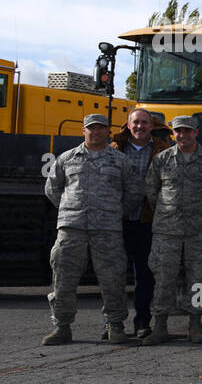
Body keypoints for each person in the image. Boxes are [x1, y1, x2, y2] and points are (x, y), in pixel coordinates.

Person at [42, 114, 144, 345]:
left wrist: (113, 212)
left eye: (100, 128)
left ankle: (115, 325)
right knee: (63, 279)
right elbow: (52, 189)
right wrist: (71, 209)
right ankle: (62, 326)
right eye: (91, 128)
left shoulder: (120, 161)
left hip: (107, 229)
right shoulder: (67, 159)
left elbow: (135, 193)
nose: (95, 132)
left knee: (113, 279)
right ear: (83, 130)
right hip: (72, 229)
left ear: (108, 131)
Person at [141, 115, 202, 345]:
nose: (182, 135)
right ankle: (160, 326)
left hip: (198, 231)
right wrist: (167, 213)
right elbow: (152, 191)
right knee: (164, 278)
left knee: (198, 281)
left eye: (187, 131)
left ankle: (195, 324)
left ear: (196, 133)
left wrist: (200, 214)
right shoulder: (162, 159)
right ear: (173, 133)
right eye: (178, 131)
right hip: (167, 231)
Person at [110, 107, 173, 337]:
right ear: (128, 125)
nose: (139, 127)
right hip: (116, 221)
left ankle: (141, 323)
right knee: (111, 275)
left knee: (144, 275)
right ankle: (111, 324)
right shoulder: (114, 149)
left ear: (151, 126)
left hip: (147, 222)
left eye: (144, 123)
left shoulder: (163, 151)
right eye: (135, 122)